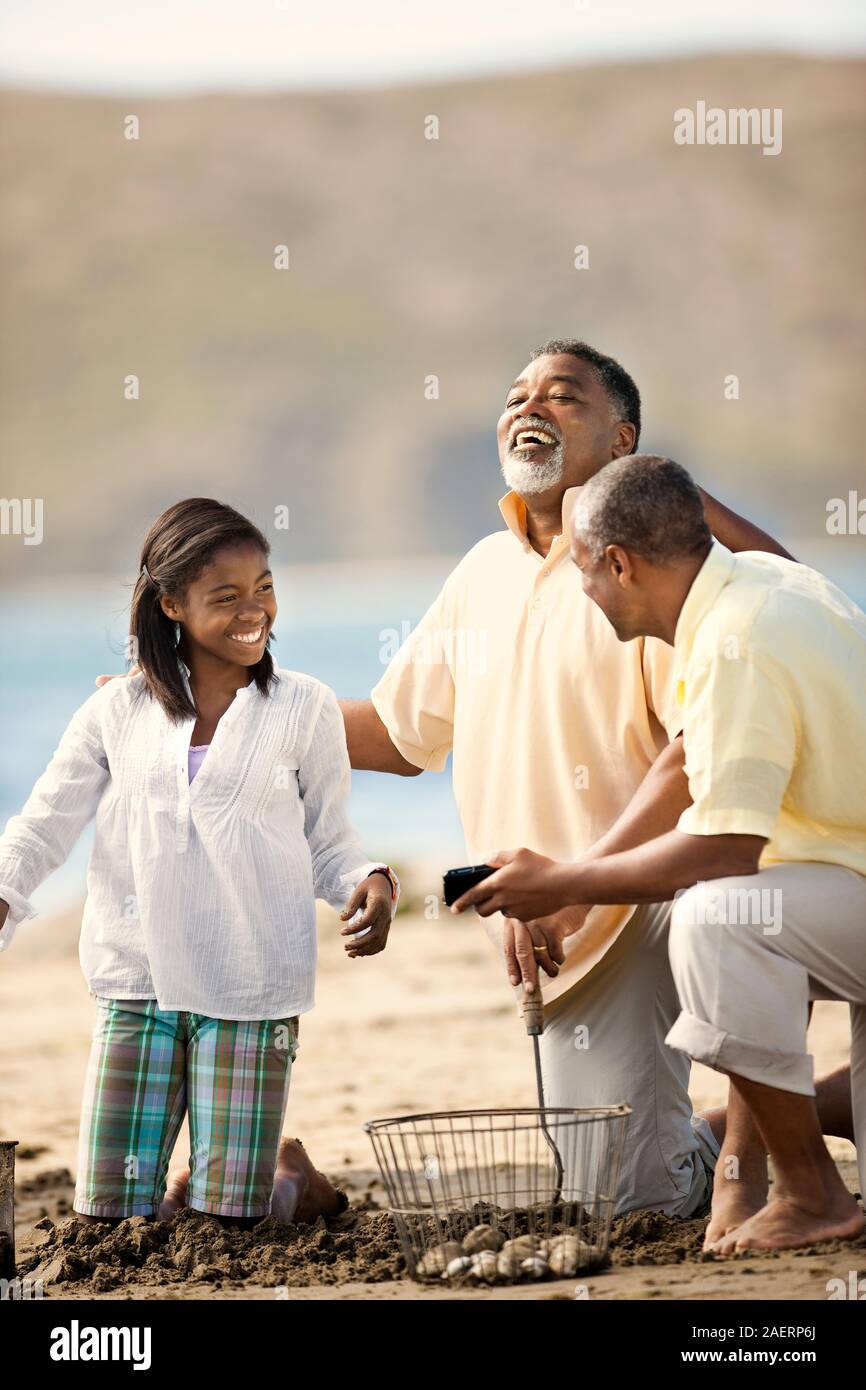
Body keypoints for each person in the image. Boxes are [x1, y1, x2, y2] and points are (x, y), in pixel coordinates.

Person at [451, 453, 866, 1254]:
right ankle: (788, 1147)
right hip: (846, 895)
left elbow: (726, 852)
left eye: (581, 569)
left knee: (720, 918)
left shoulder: (732, 641)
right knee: (751, 912)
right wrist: (736, 1173)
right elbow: (727, 812)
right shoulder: (771, 588)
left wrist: (566, 879)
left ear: (618, 563)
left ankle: (815, 1194)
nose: (581, 590)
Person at [0, 498, 398, 1228]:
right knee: (107, 1218)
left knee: (229, 1227)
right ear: (171, 604)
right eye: (227, 597)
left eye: (265, 588)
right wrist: (5, 892)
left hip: (252, 989)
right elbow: (42, 824)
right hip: (135, 981)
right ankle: (229, 1177)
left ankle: (291, 1181)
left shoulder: (303, 708)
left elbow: (329, 840)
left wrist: (368, 883)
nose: (255, 612)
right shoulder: (114, 710)